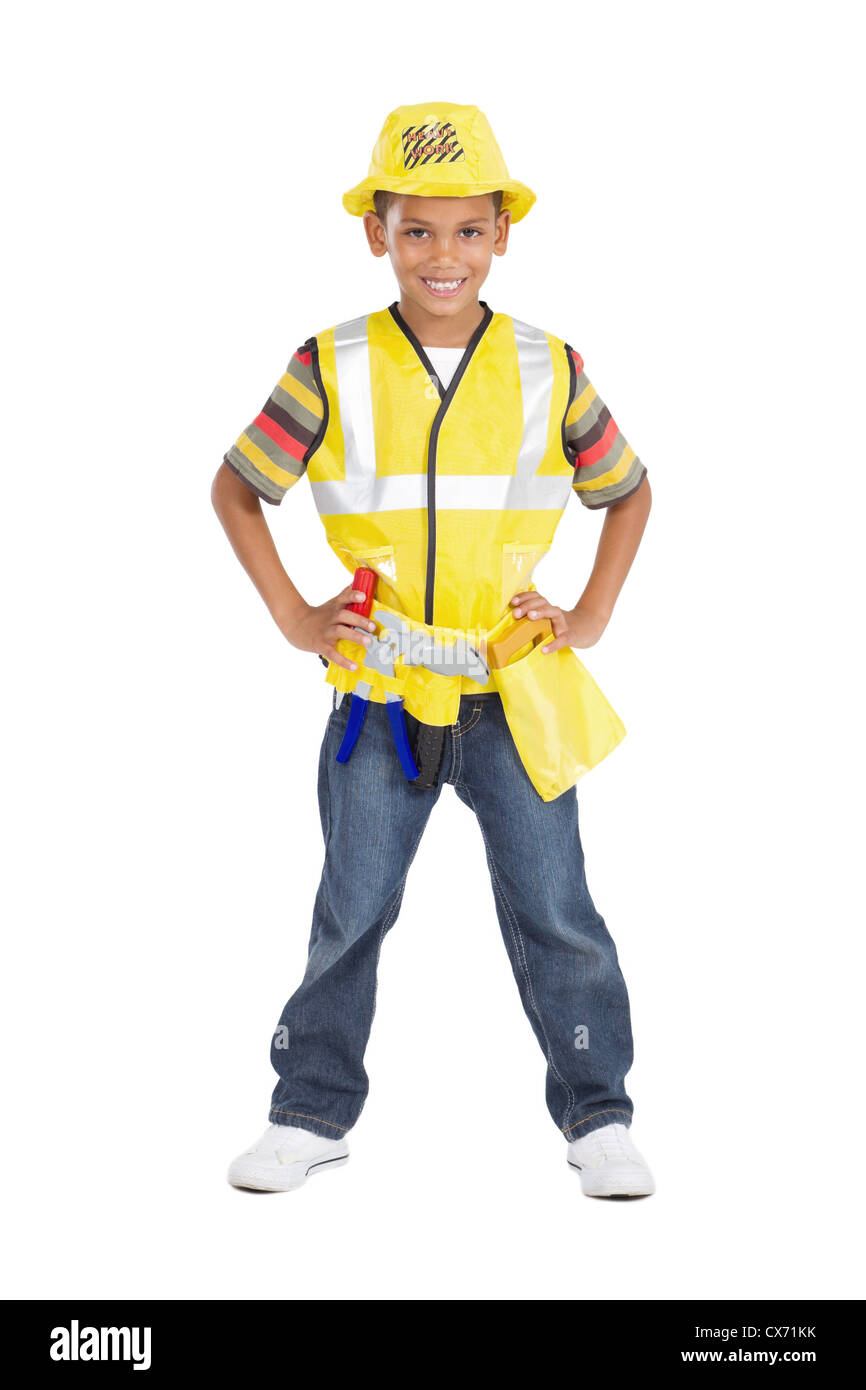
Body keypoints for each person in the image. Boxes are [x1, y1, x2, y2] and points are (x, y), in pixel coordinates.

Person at [212, 103, 655, 1199]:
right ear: (377, 233)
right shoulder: (329, 361)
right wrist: (293, 616)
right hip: (378, 692)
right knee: (350, 907)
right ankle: (309, 1109)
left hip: (511, 685)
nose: (441, 255)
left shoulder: (551, 365)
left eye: (466, 230)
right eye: (416, 231)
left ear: (501, 231)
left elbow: (628, 489)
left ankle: (596, 1111)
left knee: (556, 906)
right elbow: (237, 486)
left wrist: (588, 614)